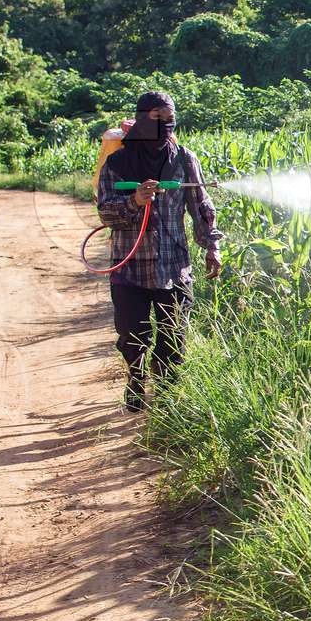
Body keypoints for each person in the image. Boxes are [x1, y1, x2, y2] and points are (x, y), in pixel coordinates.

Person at [96, 91, 223, 411]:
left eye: (170, 119)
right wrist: (134, 200)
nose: (166, 125)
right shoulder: (118, 163)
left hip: (174, 268)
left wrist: (212, 247)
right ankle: (136, 378)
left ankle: (166, 404)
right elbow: (106, 214)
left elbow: (201, 207)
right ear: (140, 119)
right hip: (129, 268)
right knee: (131, 337)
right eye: (157, 119)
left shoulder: (184, 159)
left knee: (173, 341)